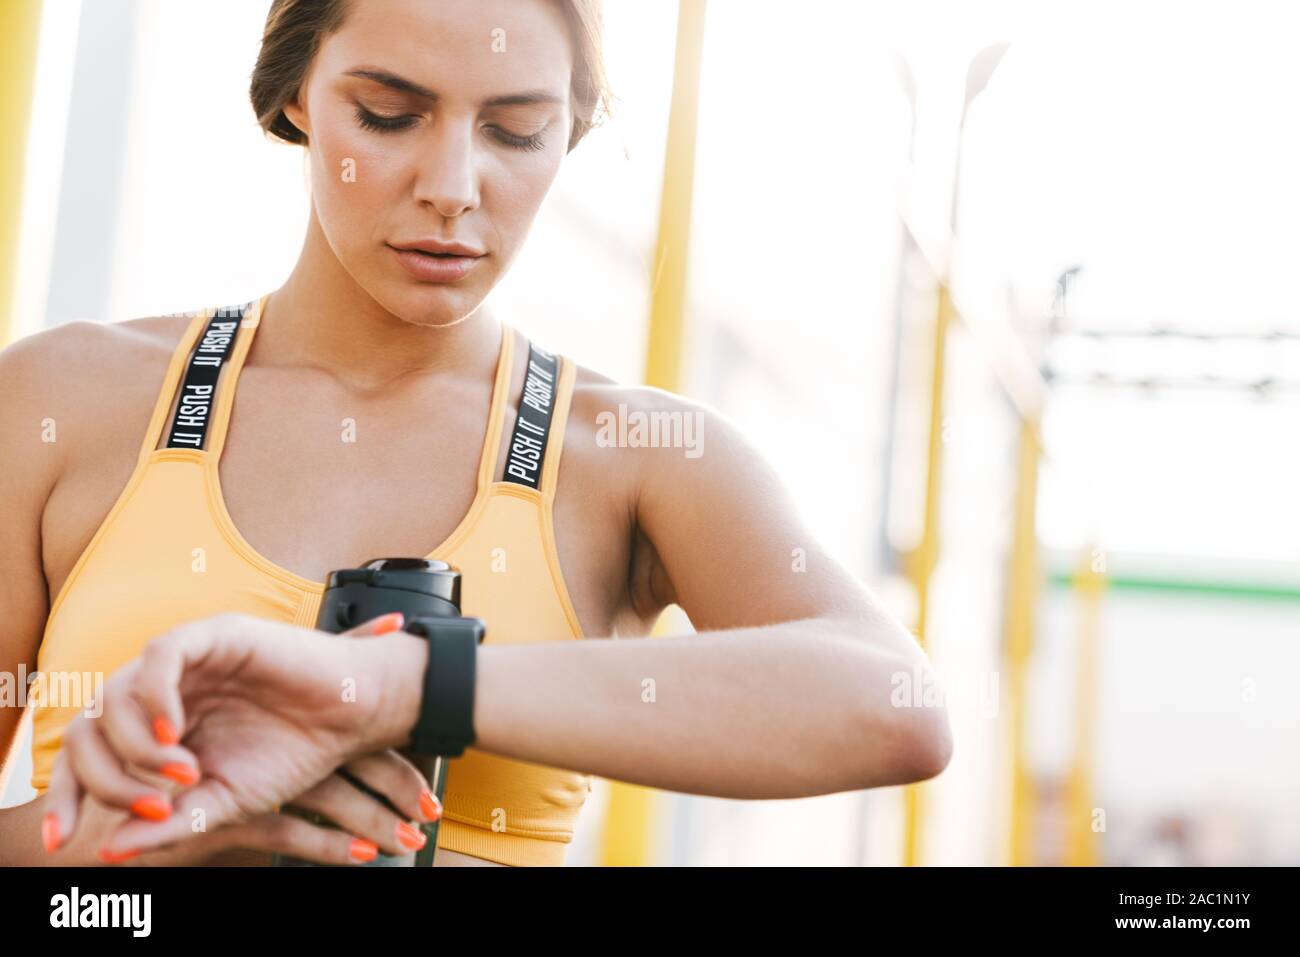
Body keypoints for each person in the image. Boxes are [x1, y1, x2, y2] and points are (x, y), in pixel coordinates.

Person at [0, 0, 951, 867]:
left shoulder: (633, 457)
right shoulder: (65, 399)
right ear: (296, 93)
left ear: (571, 129)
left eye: (517, 130)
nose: (454, 186)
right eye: (387, 113)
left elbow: (893, 704)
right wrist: (110, 839)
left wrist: (405, 686)